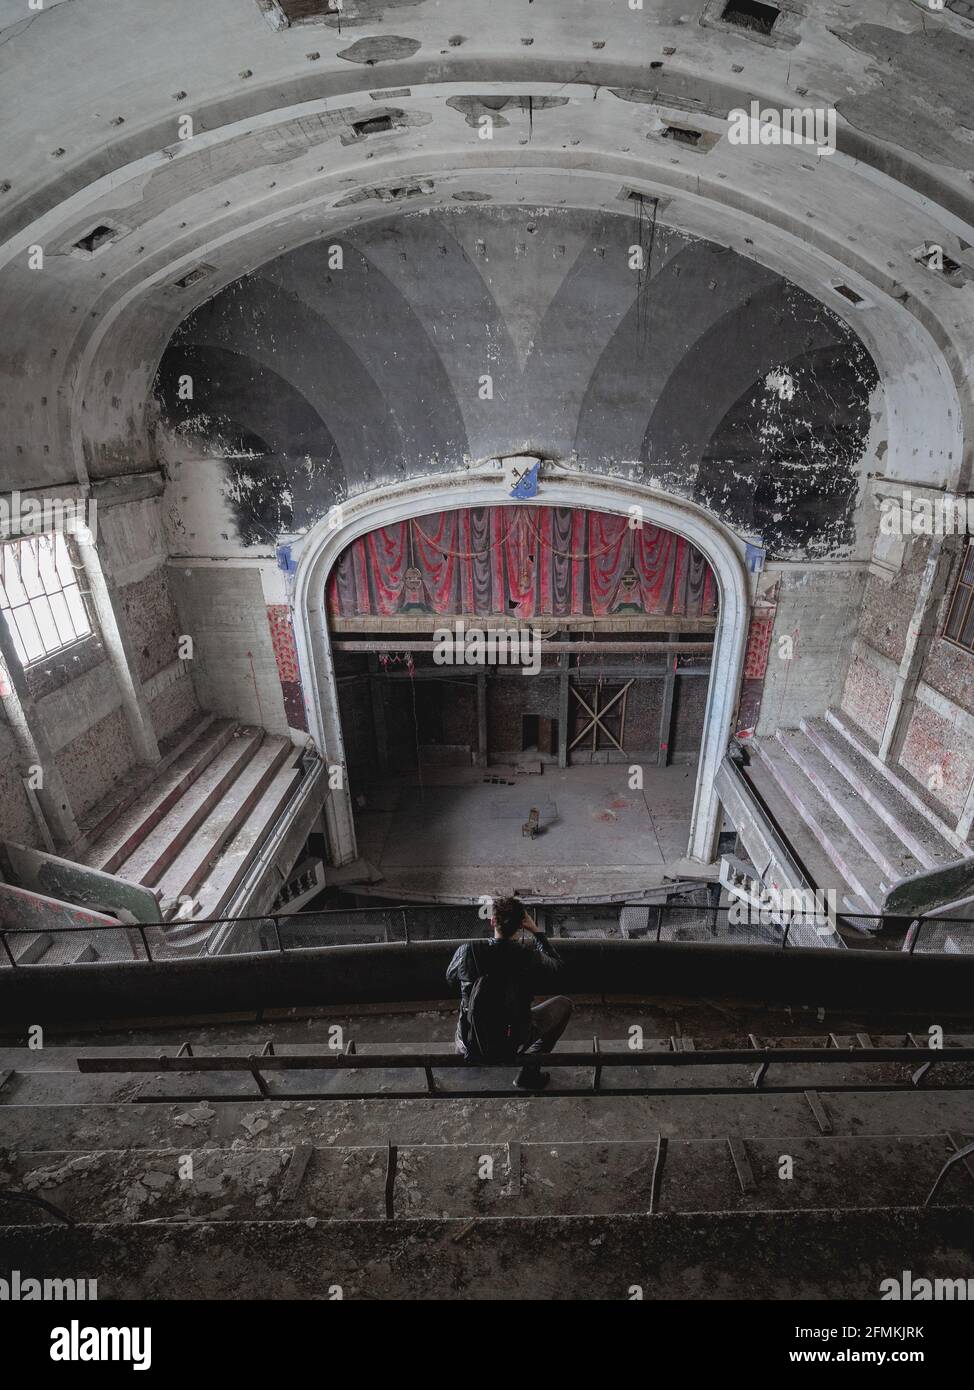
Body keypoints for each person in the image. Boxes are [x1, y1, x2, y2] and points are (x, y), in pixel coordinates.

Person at [446, 896, 573, 1091]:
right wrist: (536, 932)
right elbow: (559, 969)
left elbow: (450, 978)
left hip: (471, 1042)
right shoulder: (530, 957)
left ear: (492, 921)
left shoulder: (467, 951)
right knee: (564, 1005)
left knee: (465, 1005)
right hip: (513, 1042)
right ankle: (529, 1074)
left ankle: (465, 1054)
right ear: (521, 926)